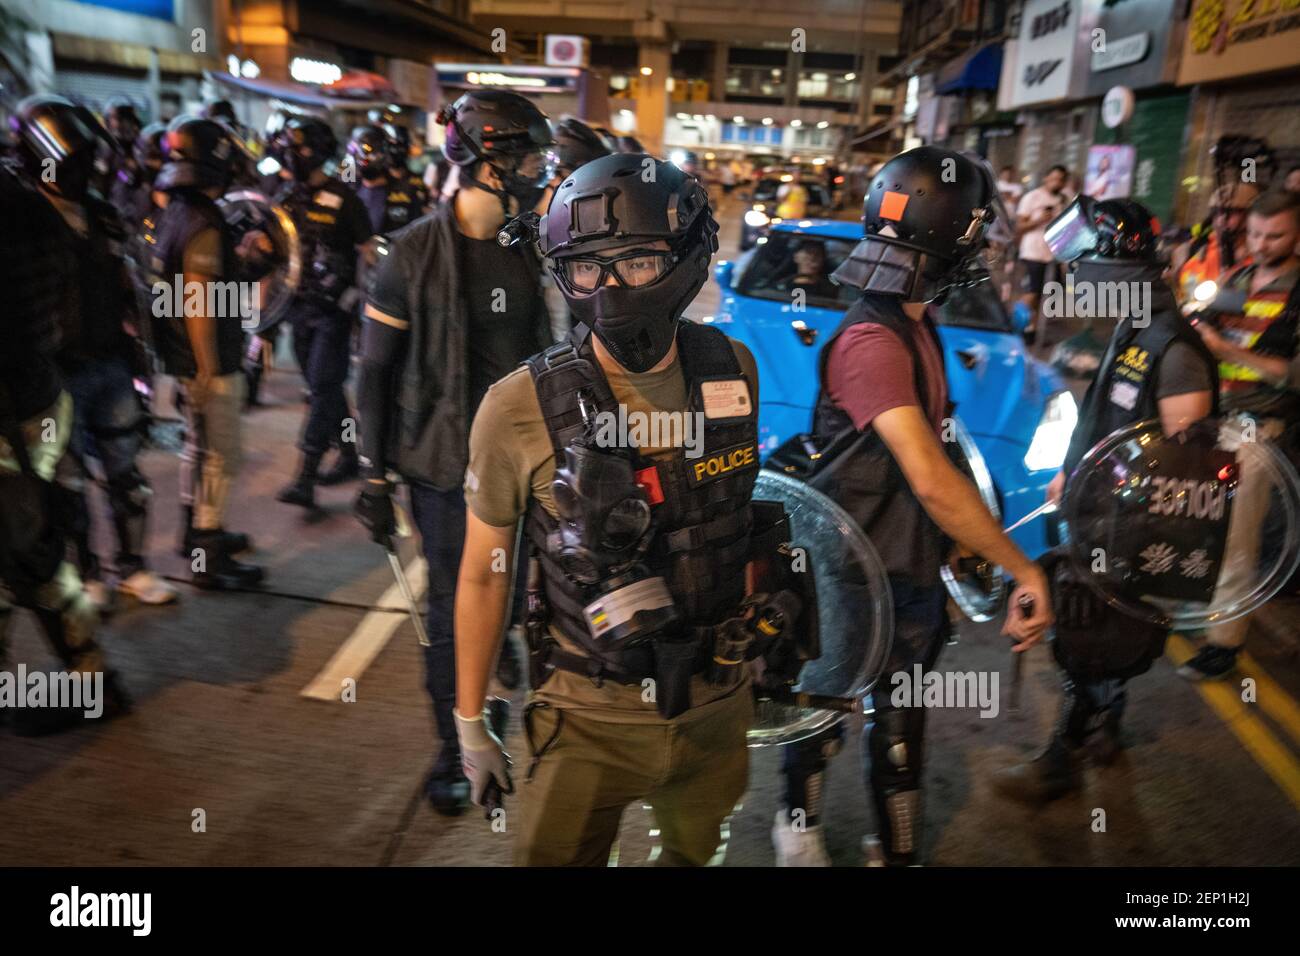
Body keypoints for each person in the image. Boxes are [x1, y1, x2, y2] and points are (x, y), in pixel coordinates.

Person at [453, 151, 802, 866]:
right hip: (587, 718)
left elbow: (736, 519)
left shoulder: (732, 368)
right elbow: (484, 575)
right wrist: (468, 726)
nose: (610, 287)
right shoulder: (516, 406)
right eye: (586, 268)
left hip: (715, 705)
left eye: (638, 261)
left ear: (686, 257)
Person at [772, 146, 1054, 866]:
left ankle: (892, 853)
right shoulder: (873, 339)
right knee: (822, 716)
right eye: (977, 232)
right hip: (847, 575)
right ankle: (797, 829)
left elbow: (935, 468)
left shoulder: (913, 321)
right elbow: (928, 475)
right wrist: (1024, 569)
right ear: (947, 237)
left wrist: (960, 548)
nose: (984, 248)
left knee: (899, 728)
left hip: (904, 571)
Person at [353, 90, 554, 815]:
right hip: (441, 471)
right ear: (480, 159)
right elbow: (373, 373)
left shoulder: (535, 247)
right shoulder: (409, 253)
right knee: (449, 610)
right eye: (524, 156)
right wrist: (372, 475)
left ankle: (497, 658)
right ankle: (452, 749)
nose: (536, 168)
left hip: (529, 469)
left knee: (522, 598)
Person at [993, 197, 1218, 803]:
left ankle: (1062, 758)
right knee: (1098, 632)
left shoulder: (1176, 352)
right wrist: (1073, 472)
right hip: (1097, 516)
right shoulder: (1135, 327)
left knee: (1093, 635)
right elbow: (1115, 426)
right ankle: (1105, 728)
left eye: (1081, 276)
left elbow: (1183, 472)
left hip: (1129, 534)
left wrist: (1114, 504)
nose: (1075, 289)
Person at [10, 95, 177, 609]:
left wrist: (143, 355)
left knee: (126, 477)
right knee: (68, 487)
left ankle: (130, 568)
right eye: (74, 157)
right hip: (52, 377)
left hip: (110, 364)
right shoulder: (20, 216)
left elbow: (130, 287)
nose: (86, 167)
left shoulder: (103, 214)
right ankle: (87, 577)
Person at [0, 122, 132, 734]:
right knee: (28, 545)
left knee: (32, 553)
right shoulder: (30, 206)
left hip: (17, 412)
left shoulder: (24, 210)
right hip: (40, 398)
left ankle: (90, 679)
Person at [1181, 189, 1300, 680]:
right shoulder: (1238, 276)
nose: (1263, 243)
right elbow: (1201, 325)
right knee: (1198, 522)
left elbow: (1289, 374)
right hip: (1213, 420)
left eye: (1275, 236)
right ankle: (1193, 608)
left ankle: (1223, 642)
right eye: (1255, 233)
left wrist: (1224, 351)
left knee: (1236, 539)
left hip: (1259, 430)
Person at [145, 116, 265, 590]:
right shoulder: (203, 223)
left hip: (179, 358)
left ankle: (195, 535)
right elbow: (198, 302)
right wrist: (207, 371)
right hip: (207, 361)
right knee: (220, 456)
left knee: (199, 452)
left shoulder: (172, 213)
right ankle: (208, 555)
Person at [271, 116, 374, 507]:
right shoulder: (286, 198)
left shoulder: (346, 200)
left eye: (302, 148)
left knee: (320, 388)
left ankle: (306, 474)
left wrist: (358, 299)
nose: (295, 156)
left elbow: (369, 253)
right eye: (291, 148)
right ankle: (349, 454)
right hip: (297, 311)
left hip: (333, 312)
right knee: (326, 389)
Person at [1175, 181, 1261, 303]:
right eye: (1216, 213)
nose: (1220, 221)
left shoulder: (1261, 256)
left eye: (1231, 214)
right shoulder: (1195, 247)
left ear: (1252, 215)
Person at [1016, 164, 1070, 345]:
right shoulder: (1032, 197)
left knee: (1045, 295)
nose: (1057, 182)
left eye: (1061, 180)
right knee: (1032, 292)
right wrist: (1039, 220)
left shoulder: (1064, 200)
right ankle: (1015, 324)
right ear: (1046, 178)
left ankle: (1032, 329)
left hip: (1052, 254)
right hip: (1033, 252)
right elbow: (1019, 226)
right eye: (1053, 178)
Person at [347, 125, 424, 236]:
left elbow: (417, 233)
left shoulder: (406, 191)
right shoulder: (349, 192)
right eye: (361, 152)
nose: (366, 158)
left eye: (372, 152)